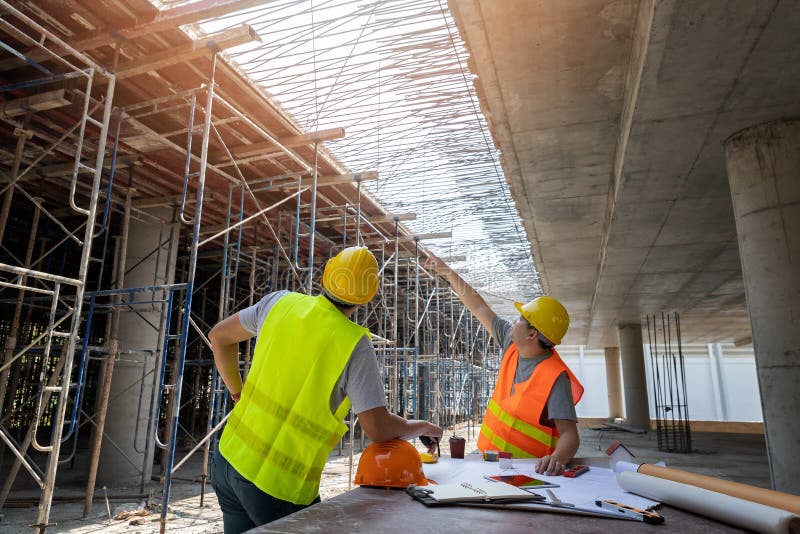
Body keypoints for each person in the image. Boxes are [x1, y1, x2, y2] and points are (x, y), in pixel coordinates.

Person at [209, 246, 442, 533]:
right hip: (278, 487)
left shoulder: (279, 303)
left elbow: (219, 337)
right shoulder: (354, 344)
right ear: (369, 296)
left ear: (325, 277)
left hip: (227, 459)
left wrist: (237, 392)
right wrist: (424, 427)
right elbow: (378, 428)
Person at [425, 255, 583, 476]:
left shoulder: (555, 377)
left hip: (526, 473)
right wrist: (447, 272)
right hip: (487, 462)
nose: (513, 321)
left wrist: (556, 460)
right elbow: (479, 307)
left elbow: (570, 435)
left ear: (531, 333)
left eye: (520, 318)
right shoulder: (511, 345)